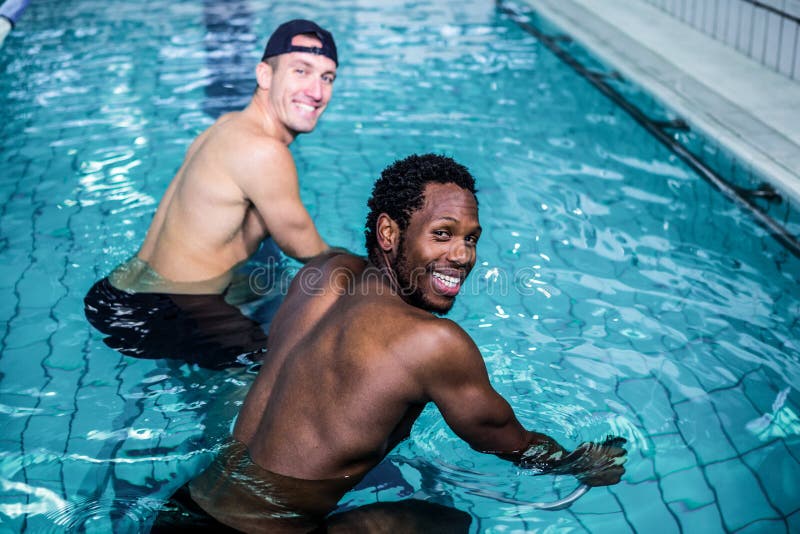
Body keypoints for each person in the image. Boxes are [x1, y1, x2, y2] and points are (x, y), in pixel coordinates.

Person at [154, 154, 628, 532]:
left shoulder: (323, 272)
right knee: (448, 522)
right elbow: (512, 444)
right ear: (388, 232)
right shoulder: (433, 343)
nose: (461, 256)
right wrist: (584, 463)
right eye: (442, 234)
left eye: (471, 239)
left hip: (184, 508)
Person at [84, 19, 343, 369]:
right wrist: (383, 269)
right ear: (264, 76)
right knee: (274, 376)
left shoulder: (227, 126)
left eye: (327, 78)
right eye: (301, 71)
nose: (316, 91)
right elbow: (313, 253)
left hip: (114, 293)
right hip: (159, 308)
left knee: (261, 289)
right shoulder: (264, 151)